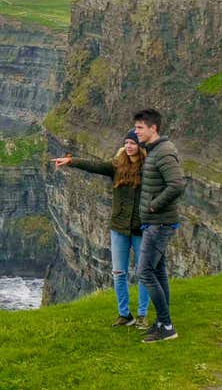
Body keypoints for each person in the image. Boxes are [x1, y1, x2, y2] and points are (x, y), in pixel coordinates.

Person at [51, 129, 150, 329]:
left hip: (141, 229)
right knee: (118, 272)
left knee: (144, 273)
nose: (129, 146)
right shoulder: (116, 166)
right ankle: (125, 314)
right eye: (127, 143)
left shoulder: (148, 169)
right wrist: (72, 161)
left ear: (140, 147)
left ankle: (142, 315)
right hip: (118, 228)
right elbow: (94, 166)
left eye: (133, 143)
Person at [133, 108, 185, 343]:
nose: (136, 132)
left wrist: (154, 206)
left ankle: (166, 325)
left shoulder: (163, 152)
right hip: (157, 223)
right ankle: (163, 322)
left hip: (159, 223)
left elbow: (176, 185)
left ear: (153, 128)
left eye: (140, 128)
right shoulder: (155, 151)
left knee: (144, 271)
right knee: (158, 271)